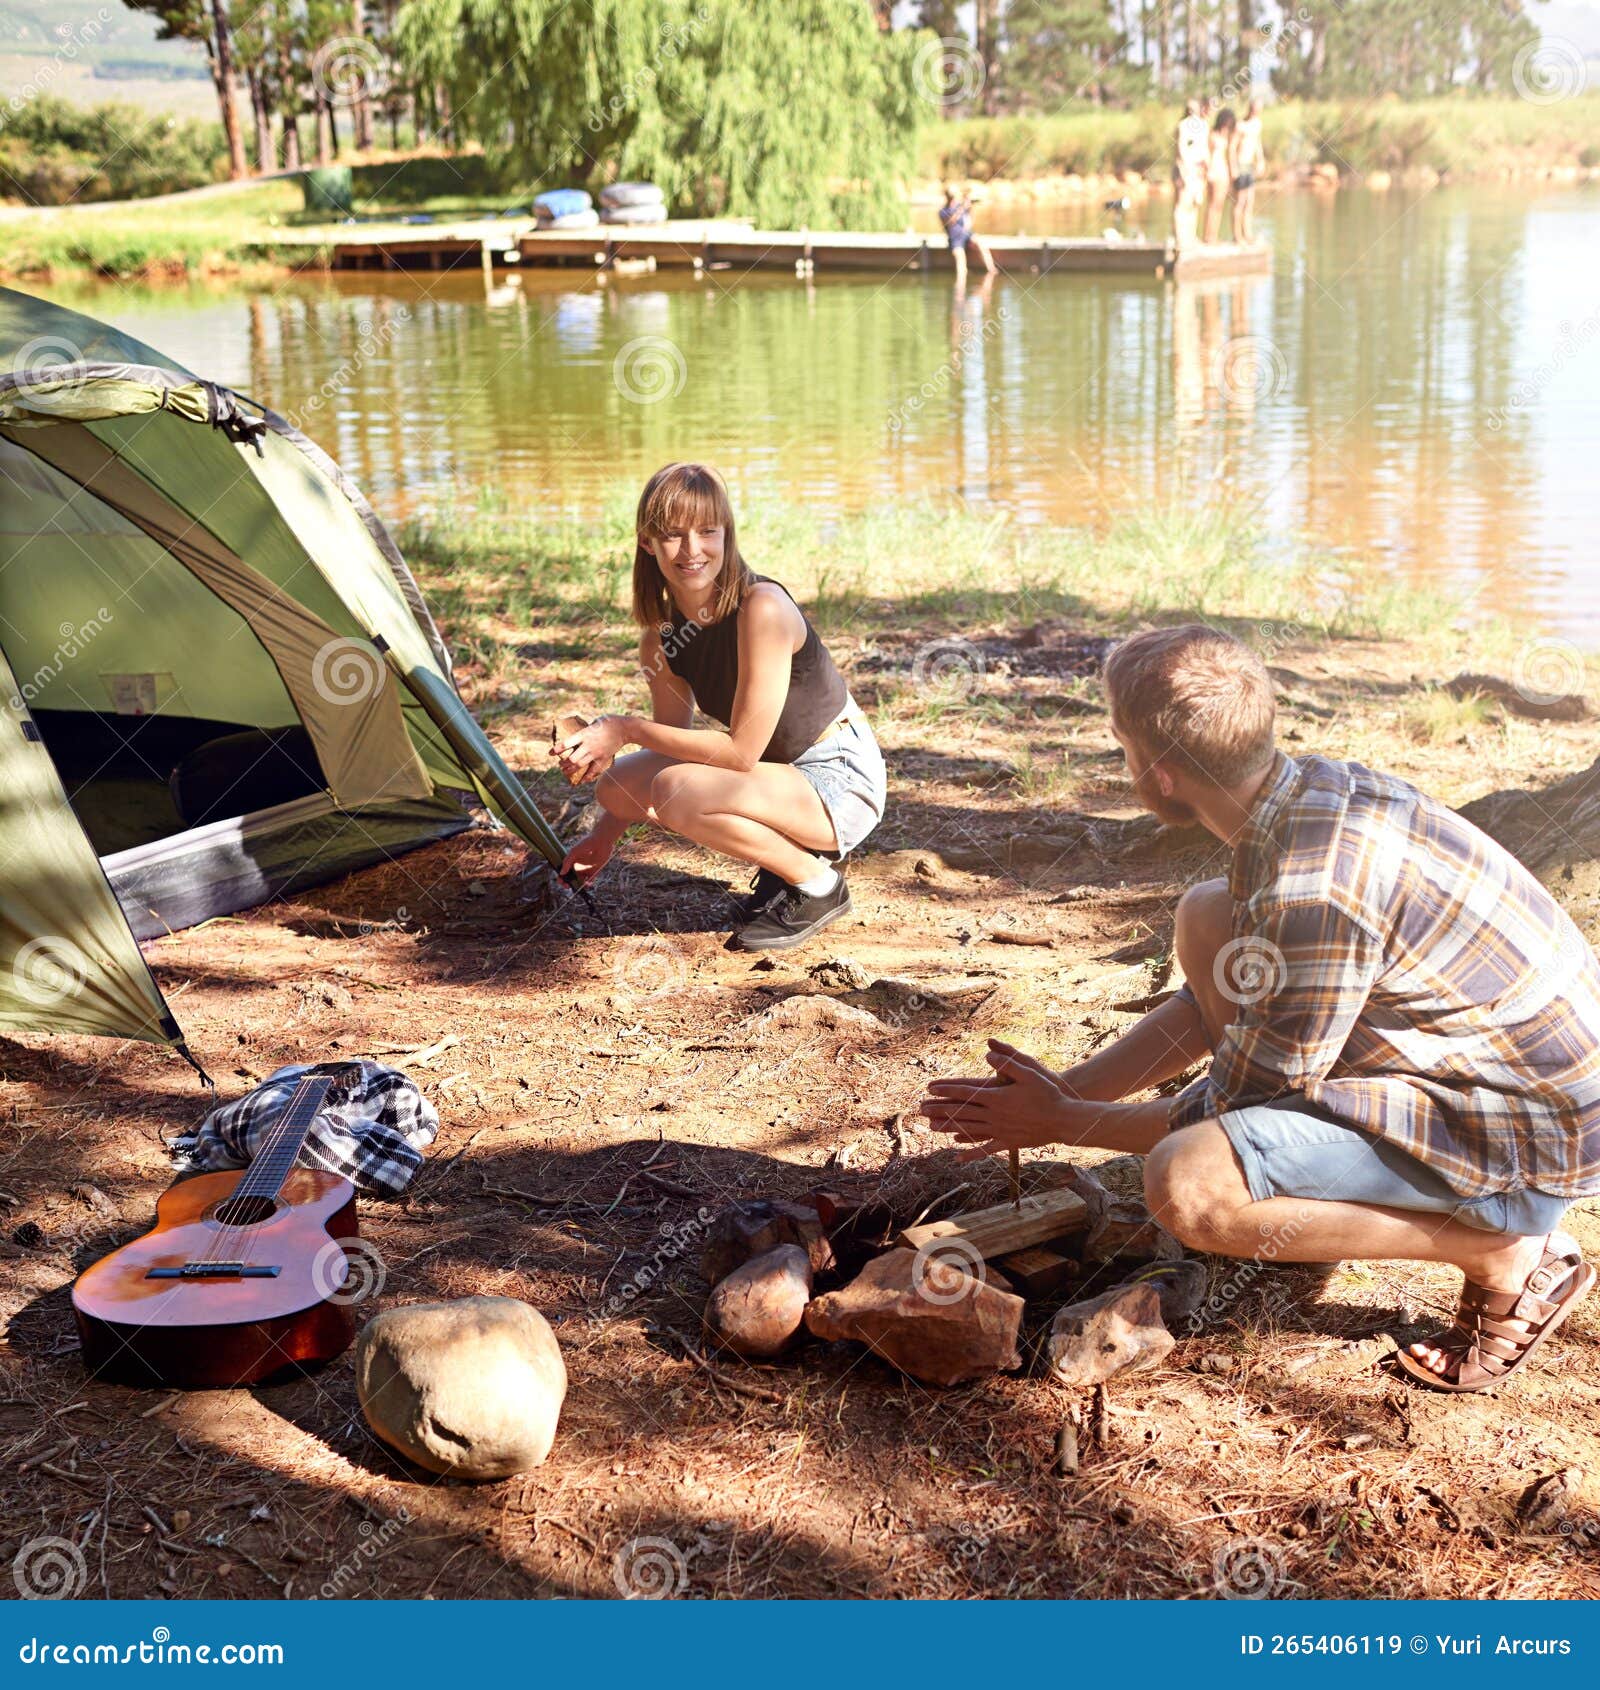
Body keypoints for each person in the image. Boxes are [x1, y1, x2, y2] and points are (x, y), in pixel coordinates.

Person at [921, 624, 1600, 1394]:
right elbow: (1231, 1004)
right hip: (1492, 1072)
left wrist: (1061, 1123)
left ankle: (1503, 1251)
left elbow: (1235, 1107)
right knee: (1209, 915)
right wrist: (1068, 1091)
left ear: (1162, 774)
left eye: (1122, 747)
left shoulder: (1310, 890)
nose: (1125, 765)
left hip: (1527, 1138)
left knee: (1189, 1183)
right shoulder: (1305, 794)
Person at [555, 462, 887, 952]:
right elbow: (673, 741)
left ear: (726, 534)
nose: (692, 551)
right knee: (619, 784)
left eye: (707, 531)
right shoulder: (662, 638)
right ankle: (785, 867)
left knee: (677, 789)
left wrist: (624, 728)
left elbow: (737, 755)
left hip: (837, 775)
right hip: (778, 776)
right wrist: (604, 837)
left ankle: (817, 885)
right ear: (647, 542)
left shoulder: (762, 607)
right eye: (672, 535)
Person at [1171, 99, 1210, 251]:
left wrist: (1205, 167)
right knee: (1181, 204)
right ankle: (1180, 239)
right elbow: (1181, 149)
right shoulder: (1183, 126)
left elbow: (1204, 148)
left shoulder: (1203, 125)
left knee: (1194, 203)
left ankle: (1191, 237)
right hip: (1185, 168)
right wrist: (1185, 170)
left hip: (1197, 169)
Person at [939, 184, 996, 285]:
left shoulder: (960, 206)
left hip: (967, 235)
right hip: (955, 239)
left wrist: (969, 208)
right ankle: (960, 286)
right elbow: (950, 222)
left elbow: (969, 223)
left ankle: (992, 271)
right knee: (960, 259)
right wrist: (962, 209)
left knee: (981, 244)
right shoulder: (943, 211)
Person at [1231, 97, 1264, 243]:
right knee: (1239, 201)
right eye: (1256, 108)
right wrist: (1233, 167)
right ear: (1251, 108)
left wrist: (1261, 159)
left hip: (1250, 165)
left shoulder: (1257, 124)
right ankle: (1237, 235)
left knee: (1249, 202)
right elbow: (1232, 147)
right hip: (1240, 164)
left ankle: (1247, 233)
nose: (1258, 111)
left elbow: (1257, 143)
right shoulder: (1240, 125)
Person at [1204, 106, 1237, 244]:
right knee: (1213, 204)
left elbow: (1229, 154)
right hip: (1214, 170)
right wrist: (1207, 171)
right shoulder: (1212, 134)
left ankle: (1213, 235)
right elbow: (1207, 153)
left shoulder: (1227, 135)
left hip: (1223, 171)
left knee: (1219, 205)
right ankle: (1208, 236)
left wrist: (1231, 173)